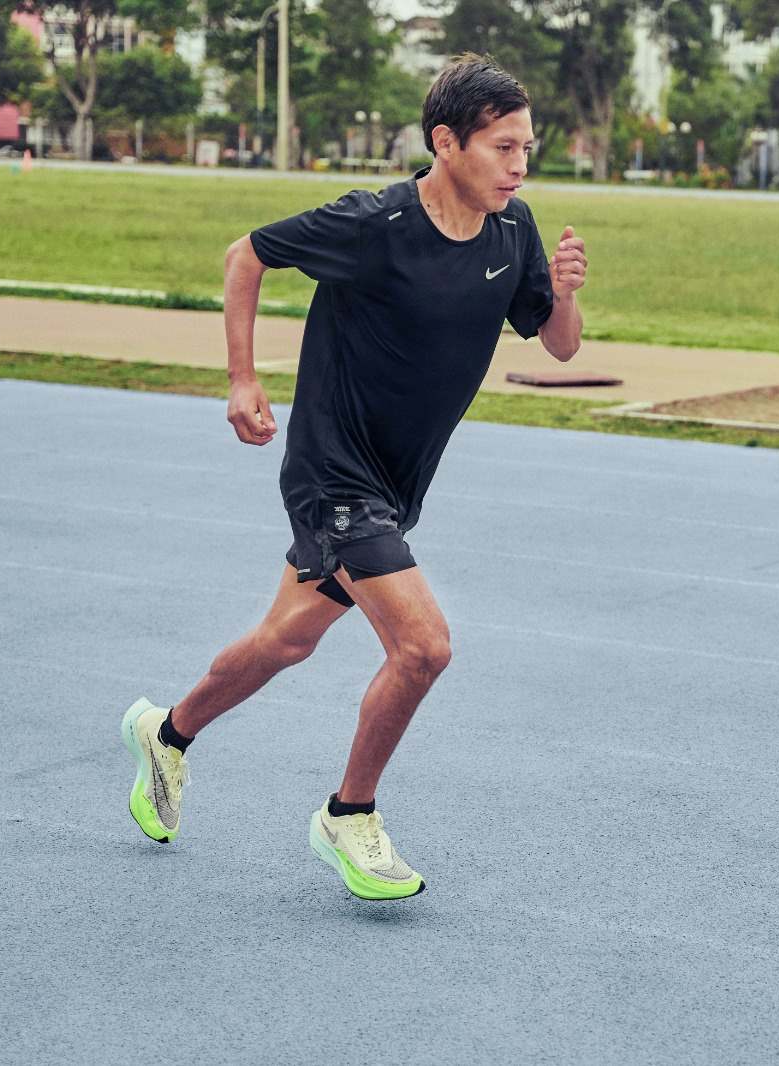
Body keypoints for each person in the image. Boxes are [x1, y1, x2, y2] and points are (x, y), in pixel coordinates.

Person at [119, 54, 587, 900]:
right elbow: (245, 255)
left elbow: (558, 343)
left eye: (529, 148)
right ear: (447, 142)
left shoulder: (512, 228)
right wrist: (242, 378)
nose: (521, 165)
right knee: (424, 647)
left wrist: (561, 292)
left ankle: (167, 734)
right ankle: (349, 814)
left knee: (287, 640)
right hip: (333, 474)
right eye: (505, 146)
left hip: (397, 485)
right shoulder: (375, 224)